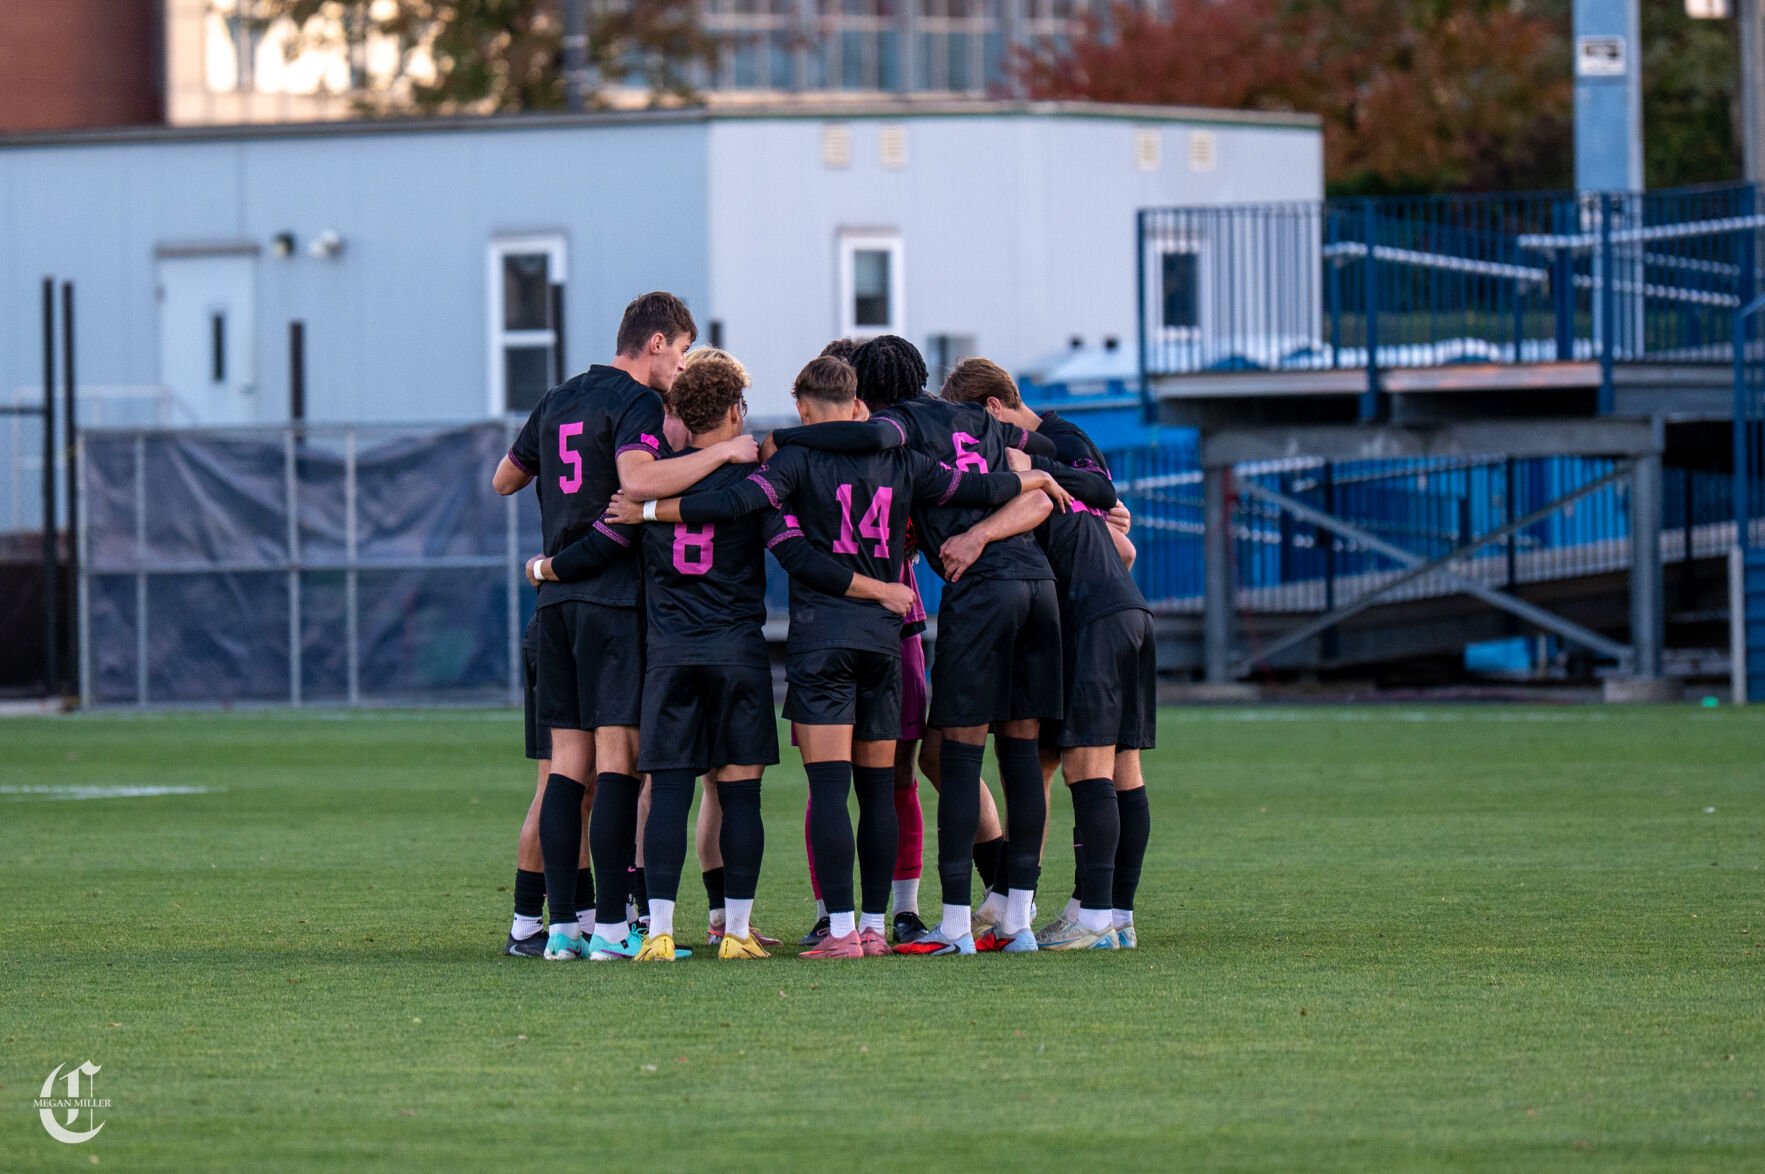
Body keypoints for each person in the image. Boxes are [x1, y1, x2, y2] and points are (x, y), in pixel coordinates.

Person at [610, 354, 1069, 958]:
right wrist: (1030, 480)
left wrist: (651, 511)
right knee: (882, 788)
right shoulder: (905, 461)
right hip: (886, 639)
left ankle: (839, 930)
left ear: (802, 408)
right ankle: (879, 927)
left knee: (828, 790)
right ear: (856, 405)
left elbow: (742, 508)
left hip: (822, 639)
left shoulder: (793, 461)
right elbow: (975, 487)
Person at [547, 349, 911, 960]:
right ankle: (736, 932)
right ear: (737, 411)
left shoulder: (655, 481)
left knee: (668, 795)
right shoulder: (755, 483)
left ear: (682, 418)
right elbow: (786, 543)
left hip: (669, 657)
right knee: (740, 797)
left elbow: (606, 538)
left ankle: (659, 931)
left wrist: (547, 567)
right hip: (738, 654)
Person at [766, 336, 1116, 956]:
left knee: (954, 755)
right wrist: (1050, 479)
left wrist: (782, 441)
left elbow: (864, 443)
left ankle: (953, 925)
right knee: (1020, 754)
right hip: (1037, 587)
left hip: (978, 596)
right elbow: (1044, 472)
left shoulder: (894, 428)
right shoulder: (982, 420)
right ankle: (1018, 920)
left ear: (866, 396)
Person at [492, 291, 757, 961]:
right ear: (658, 343)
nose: (682, 368)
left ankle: (560, 929)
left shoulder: (558, 397)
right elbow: (637, 483)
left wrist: (551, 553)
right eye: (683, 349)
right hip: (611, 599)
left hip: (555, 607)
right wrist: (724, 457)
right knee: (616, 763)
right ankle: (611, 928)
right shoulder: (636, 401)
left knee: (565, 766)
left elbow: (504, 478)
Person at [939, 358, 1153, 950]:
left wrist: (992, 516)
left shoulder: (1036, 453)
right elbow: (1124, 545)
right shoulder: (1059, 461)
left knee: (1085, 768)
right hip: (1123, 610)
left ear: (990, 411)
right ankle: (1103, 914)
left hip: (1093, 620)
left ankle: (1091, 915)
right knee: (1099, 768)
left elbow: (1083, 500)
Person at [503, 613, 594, 957]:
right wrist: (544, 569)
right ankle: (524, 926)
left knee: (585, 792)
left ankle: (587, 919)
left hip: (582, 637)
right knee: (555, 781)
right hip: (557, 639)